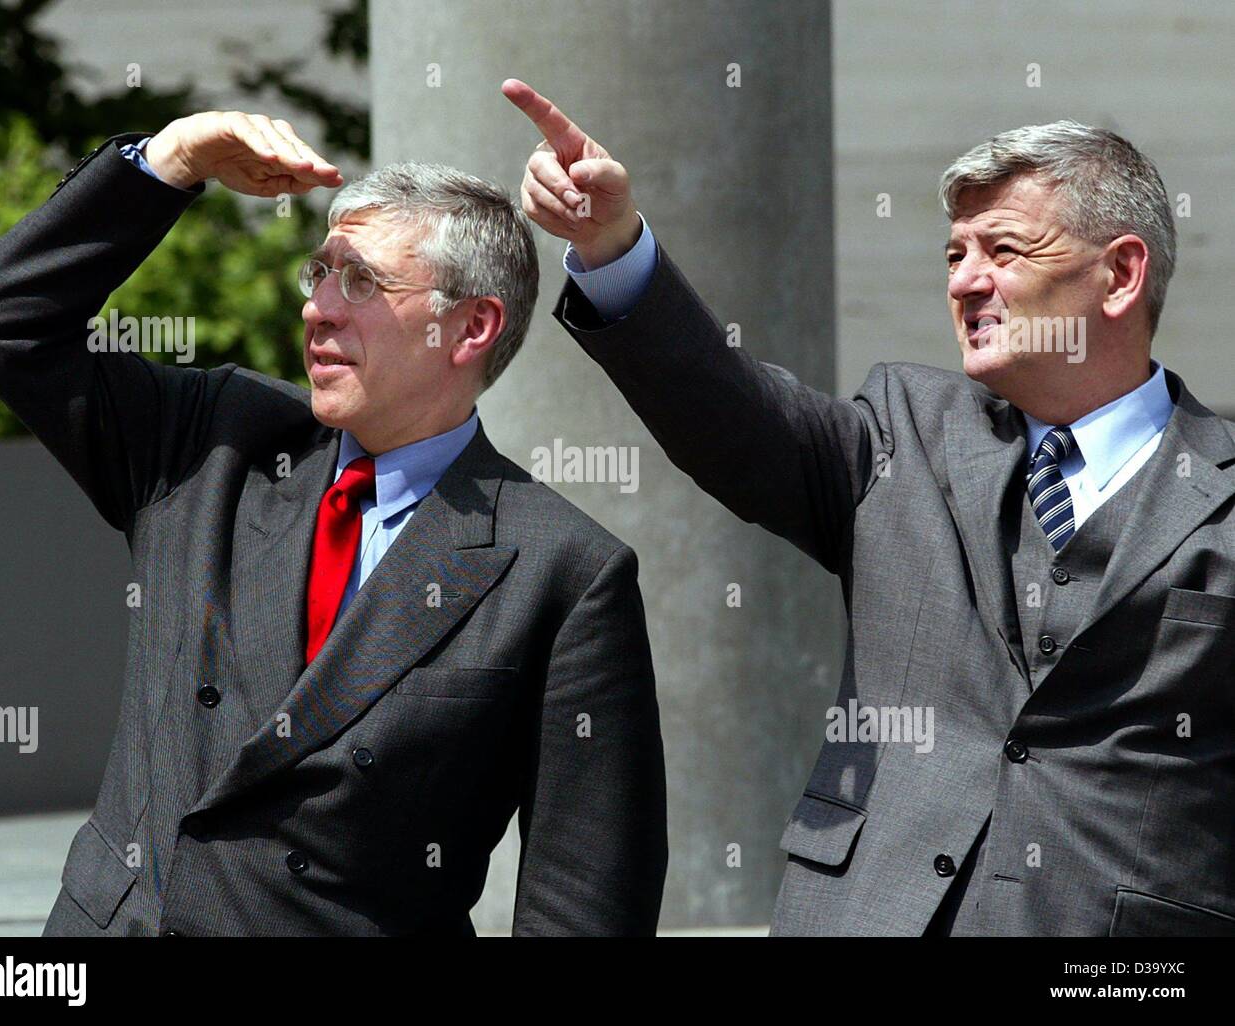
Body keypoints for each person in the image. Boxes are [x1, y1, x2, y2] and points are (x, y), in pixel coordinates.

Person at [504, 78, 1235, 937]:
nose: (966, 282)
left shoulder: (1218, 492)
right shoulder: (903, 430)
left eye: (1002, 250)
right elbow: (729, 413)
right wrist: (611, 246)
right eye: (953, 255)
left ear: (1119, 274)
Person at [0, 110, 667, 936]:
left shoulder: (563, 569)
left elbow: (586, 901)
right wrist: (169, 161)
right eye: (319, 274)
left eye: (361, 284)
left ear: (472, 327)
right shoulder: (214, 439)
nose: (318, 310)